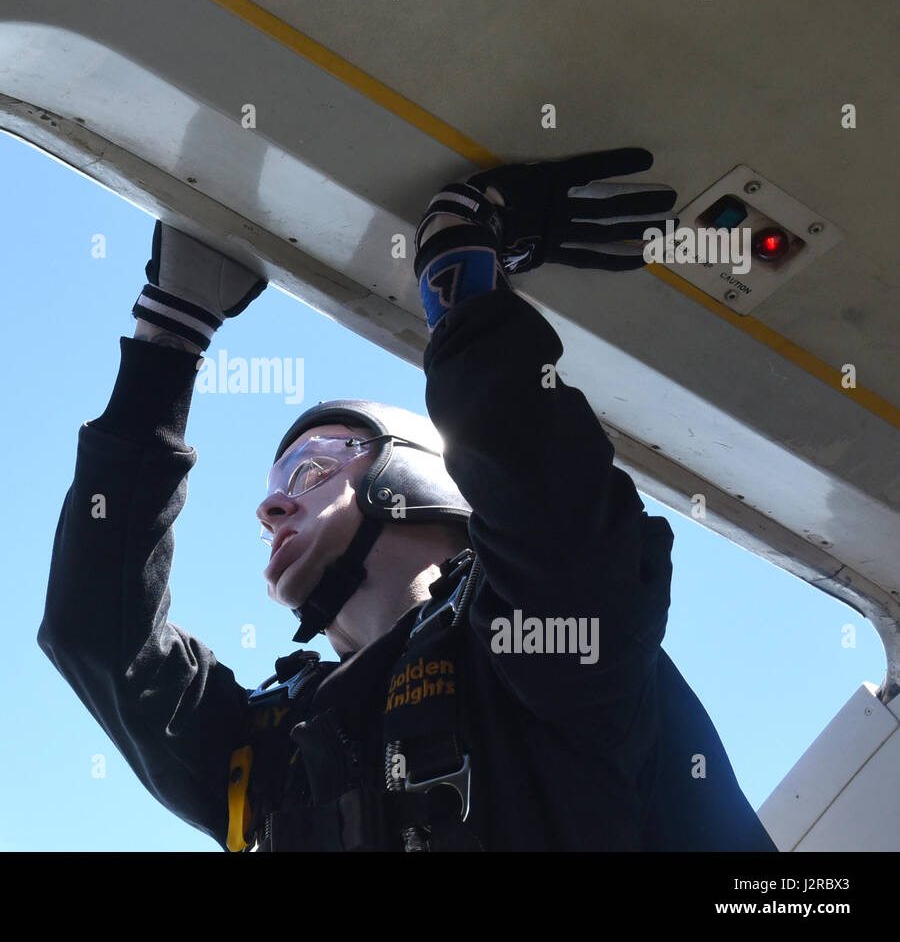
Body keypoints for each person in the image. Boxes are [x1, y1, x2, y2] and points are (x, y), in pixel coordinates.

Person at [38, 148, 778, 852]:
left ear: (411, 476)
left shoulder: (529, 640)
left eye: (308, 472)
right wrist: (170, 331)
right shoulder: (271, 746)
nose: (271, 509)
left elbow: (547, 506)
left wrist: (460, 268)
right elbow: (98, 634)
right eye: (271, 496)